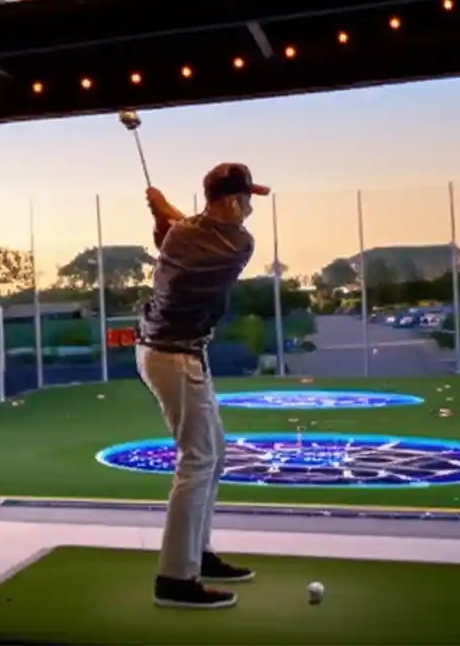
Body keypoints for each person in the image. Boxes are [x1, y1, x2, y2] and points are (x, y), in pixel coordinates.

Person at [139, 163, 267, 609]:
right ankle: (175, 579)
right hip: (173, 356)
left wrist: (161, 208)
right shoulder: (229, 238)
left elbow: (175, 231)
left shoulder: (208, 238)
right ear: (232, 201)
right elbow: (176, 231)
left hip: (179, 350)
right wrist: (163, 211)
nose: (251, 209)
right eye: (247, 199)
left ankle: (198, 553)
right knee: (196, 461)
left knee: (214, 455)